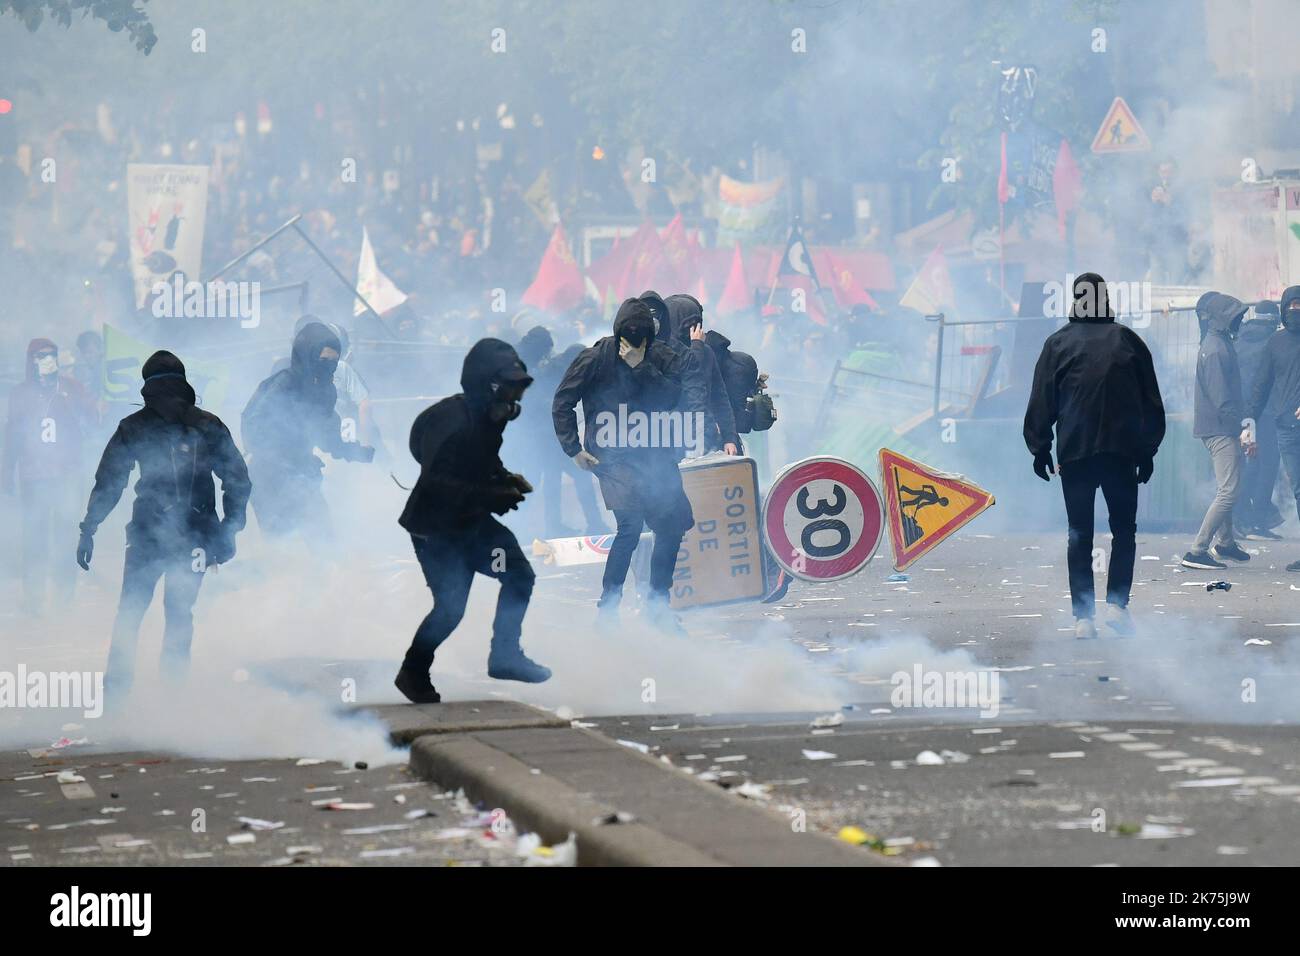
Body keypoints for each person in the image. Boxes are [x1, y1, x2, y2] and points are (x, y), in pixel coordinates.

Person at [76, 351, 250, 697]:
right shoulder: (207, 423)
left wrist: (89, 527)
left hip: (148, 534)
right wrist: (229, 528)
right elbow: (237, 479)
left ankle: (117, 697)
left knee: (131, 612)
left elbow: (110, 482)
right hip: (196, 533)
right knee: (179, 612)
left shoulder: (134, 427)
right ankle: (173, 694)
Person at [395, 338, 550, 703]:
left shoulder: (487, 417)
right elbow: (436, 481)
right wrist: (489, 496)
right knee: (451, 608)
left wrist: (503, 479)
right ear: (487, 383)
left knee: (518, 573)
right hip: (435, 530)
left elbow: (480, 459)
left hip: (470, 523)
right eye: (509, 385)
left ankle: (505, 655)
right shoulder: (453, 421)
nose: (515, 396)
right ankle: (412, 672)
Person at [1023, 273, 1166, 638]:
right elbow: (1151, 402)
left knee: (1079, 533)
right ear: (1105, 299)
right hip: (1122, 452)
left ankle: (1083, 617)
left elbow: (1043, 399)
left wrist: (1040, 447)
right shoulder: (1128, 340)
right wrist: (1147, 451)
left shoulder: (1057, 344)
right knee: (1124, 529)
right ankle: (1117, 606)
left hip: (1075, 451)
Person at [552, 298, 694, 632]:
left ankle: (658, 606)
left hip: (656, 457)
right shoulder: (596, 357)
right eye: (628, 333)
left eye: (640, 333)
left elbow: (674, 398)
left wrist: (642, 366)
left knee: (672, 528)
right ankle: (608, 607)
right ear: (617, 331)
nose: (634, 337)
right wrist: (573, 449)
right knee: (629, 528)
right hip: (614, 460)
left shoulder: (662, 357)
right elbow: (563, 401)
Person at [241, 321, 373, 544]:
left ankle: (326, 575)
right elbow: (252, 421)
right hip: (269, 476)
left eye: (333, 361)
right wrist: (275, 456)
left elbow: (327, 434)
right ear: (308, 355)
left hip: (301, 475)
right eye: (323, 360)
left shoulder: (325, 392)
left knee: (323, 538)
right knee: (282, 545)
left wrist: (355, 452)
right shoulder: (284, 382)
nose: (328, 366)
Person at [3, 338, 96, 615]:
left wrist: (79, 406)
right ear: (31, 361)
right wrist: (7, 472)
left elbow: (92, 421)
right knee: (35, 539)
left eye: (51, 355)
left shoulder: (70, 388)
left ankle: (65, 597)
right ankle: (34, 598)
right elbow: (12, 436)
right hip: (34, 477)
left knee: (67, 536)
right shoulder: (21, 393)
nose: (47, 360)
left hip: (67, 475)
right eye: (41, 356)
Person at [1183, 292, 1251, 570]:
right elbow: (1222, 396)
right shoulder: (1215, 348)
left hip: (1219, 426)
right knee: (1229, 490)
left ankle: (1225, 543)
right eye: (1236, 317)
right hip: (1220, 428)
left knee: (1228, 487)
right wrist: (1240, 428)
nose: (1240, 321)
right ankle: (1197, 550)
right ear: (1224, 318)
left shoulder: (1216, 343)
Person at [1246, 285, 1300, 572]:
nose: (1295, 310)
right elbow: (1261, 385)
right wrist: (1249, 421)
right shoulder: (1275, 343)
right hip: (1287, 428)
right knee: (1299, 490)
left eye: (1299, 305)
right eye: (1290, 305)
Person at [664, 293, 740, 456]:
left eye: (696, 324)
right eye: (687, 325)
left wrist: (729, 438)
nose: (693, 330)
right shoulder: (663, 353)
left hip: (706, 436)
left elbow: (720, 398)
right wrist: (696, 348)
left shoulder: (706, 351)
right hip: (673, 439)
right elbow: (687, 387)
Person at [1234, 300, 1285, 539]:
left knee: (1251, 465)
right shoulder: (1273, 342)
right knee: (1267, 466)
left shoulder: (1240, 339)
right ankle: (1257, 522)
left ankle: (1243, 520)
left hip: (1244, 412)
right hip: (1266, 412)